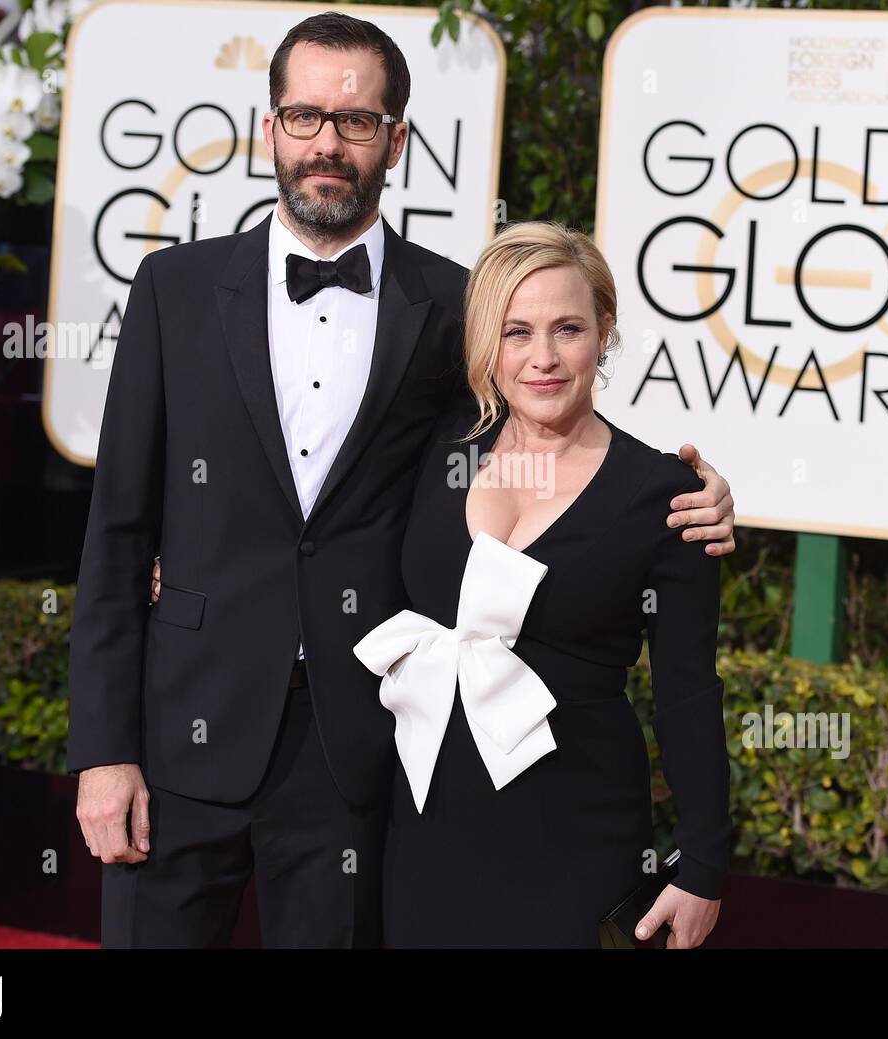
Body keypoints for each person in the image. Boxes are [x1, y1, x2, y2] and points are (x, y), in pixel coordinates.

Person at [70, 10, 736, 949]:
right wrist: (104, 751)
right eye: (305, 117)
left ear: (396, 139)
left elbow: (546, 433)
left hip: (361, 748)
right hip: (185, 732)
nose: (327, 142)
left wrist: (700, 495)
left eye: (357, 121)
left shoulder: (459, 307)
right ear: (270, 129)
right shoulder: (172, 290)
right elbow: (118, 535)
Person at [352, 222, 730, 948]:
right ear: (488, 342)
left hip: (580, 838)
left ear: (605, 331)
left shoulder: (666, 495)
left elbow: (687, 691)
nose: (544, 358)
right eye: (517, 332)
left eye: (569, 328)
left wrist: (703, 865)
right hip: (426, 833)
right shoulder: (434, 448)